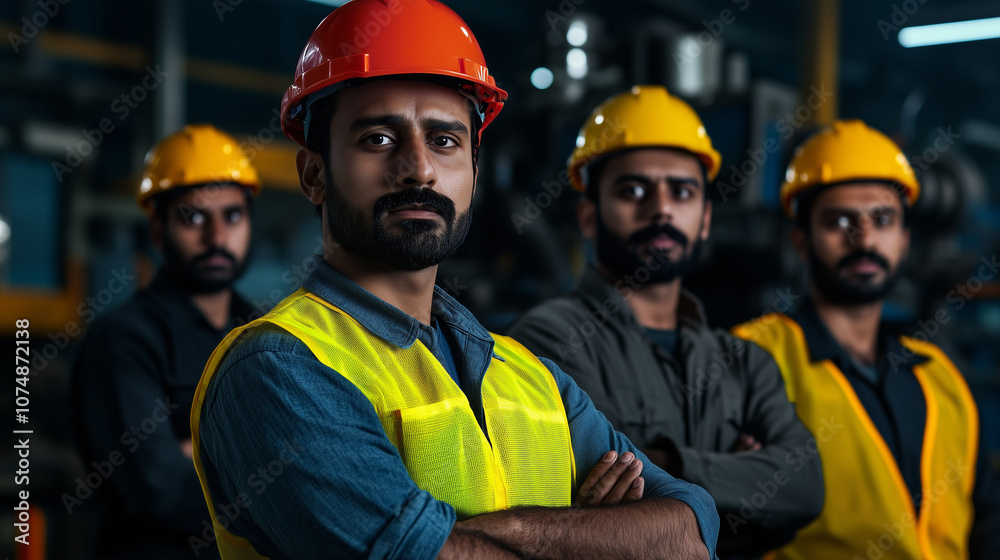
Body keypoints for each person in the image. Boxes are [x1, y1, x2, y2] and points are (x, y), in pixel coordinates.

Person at [189, 2, 720, 559]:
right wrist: (595, 535)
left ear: (473, 171)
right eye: (378, 138)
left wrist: (512, 537)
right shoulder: (278, 368)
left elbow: (691, 529)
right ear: (314, 174)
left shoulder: (533, 376)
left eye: (444, 141)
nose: (419, 169)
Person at [507, 85, 823, 558]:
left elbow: (805, 487)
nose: (661, 208)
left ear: (705, 219)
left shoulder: (744, 360)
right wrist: (742, 486)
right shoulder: (546, 340)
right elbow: (583, 507)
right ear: (589, 216)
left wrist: (662, 465)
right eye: (633, 190)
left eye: (682, 191)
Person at [732, 119, 1000, 559]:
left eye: (882, 219)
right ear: (801, 241)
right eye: (839, 220)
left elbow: (988, 521)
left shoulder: (940, 375)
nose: (864, 238)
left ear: (904, 239)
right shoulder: (752, 356)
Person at [70, 124, 259, 559]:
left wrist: (199, 453)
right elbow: (160, 488)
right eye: (193, 217)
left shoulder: (264, 333)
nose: (217, 237)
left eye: (232, 216)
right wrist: (269, 467)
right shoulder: (123, 341)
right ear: (157, 230)